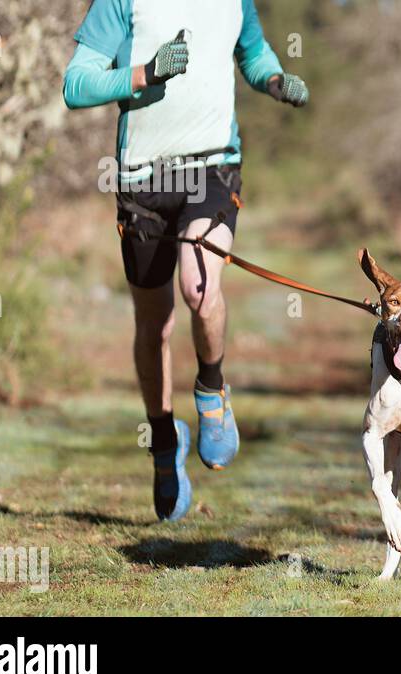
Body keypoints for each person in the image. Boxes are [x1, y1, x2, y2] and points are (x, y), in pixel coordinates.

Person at [63, 0, 308, 521]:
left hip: (212, 167)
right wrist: (145, 74)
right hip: (140, 182)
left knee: (200, 286)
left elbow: (254, 53)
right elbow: (76, 85)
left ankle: (213, 390)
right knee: (155, 324)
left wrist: (276, 81)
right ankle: (163, 441)